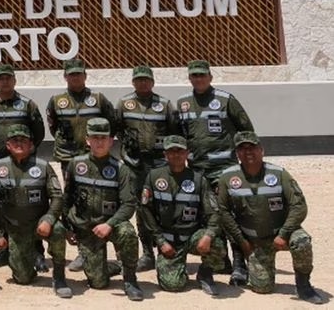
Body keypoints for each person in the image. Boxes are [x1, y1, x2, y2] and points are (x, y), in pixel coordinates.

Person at [217, 131, 322, 304]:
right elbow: (223, 211)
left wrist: (284, 233)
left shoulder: (279, 174)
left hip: (282, 234)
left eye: (252, 147)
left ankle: (304, 285)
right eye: (242, 148)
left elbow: (299, 206)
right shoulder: (228, 177)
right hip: (254, 241)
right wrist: (242, 241)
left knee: (301, 241)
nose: (248, 152)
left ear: (262, 150)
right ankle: (247, 266)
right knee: (262, 288)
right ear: (237, 154)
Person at [176, 59, 255, 284]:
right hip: (198, 171)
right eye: (194, 75)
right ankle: (222, 260)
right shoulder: (183, 103)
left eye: (202, 75)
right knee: (208, 215)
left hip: (224, 170)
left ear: (210, 77)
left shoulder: (225, 100)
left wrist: (246, 160)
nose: (199, 79)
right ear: (189, 78)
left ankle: (240, 265)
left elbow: (246, 130)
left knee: (230, 216)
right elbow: (179, 136)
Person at [45, 57, 117, 273]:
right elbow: (53, 128)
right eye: (71, 74)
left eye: (79, 74)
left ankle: (109, 250)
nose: (75, 77)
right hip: (69, 159)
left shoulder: (98, 99)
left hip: (96, 158)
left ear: (85, 75)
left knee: (101, 200)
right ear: (65, 76)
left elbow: (111, 124)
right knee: (77, 202)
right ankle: (82, 251)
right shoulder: (56, 101)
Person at [0, 124, 72, 298]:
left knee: (58, 230)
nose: (19, 143)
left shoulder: (43, 167)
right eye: (15, 140)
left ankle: (59, 277)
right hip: (16, 229)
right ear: (8, 145)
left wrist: (48, 219)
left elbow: (57, 197)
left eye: (23, 140)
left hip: (40, 224)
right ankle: (30, 256)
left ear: (31, 145)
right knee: (23, 278)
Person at [63, 117, 143, 301]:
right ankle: (111, 265)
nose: (99, 142)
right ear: (87, 140)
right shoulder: (76, 165)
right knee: (98, 283)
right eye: (95, 137)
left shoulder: (121, 169)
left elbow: (129, 204)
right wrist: (68, 227)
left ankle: (130, 279)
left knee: (128, 232)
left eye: (103, 138)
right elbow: (67, 199)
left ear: (111, 141)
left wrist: (109, 224)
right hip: (86, 228)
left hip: (110, 225)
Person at [138, 135, 225, 296]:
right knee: (173, 285)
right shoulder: (154, 177)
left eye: (180, 151)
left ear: (187, 153)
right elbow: (145, 211)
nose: (176, 155)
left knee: (216, 244)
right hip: (168, 242)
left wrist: (208, 235)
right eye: (172, 151)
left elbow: (214, 213)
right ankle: (177, 268)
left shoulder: (198, 180)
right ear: (165, 154)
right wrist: (160, 241)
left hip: (192, 236)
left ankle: (205, 273)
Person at [0, 63, 44, 268]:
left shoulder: (27, 105)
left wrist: (25, 152)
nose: (5, 81)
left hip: (25, 164)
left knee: (33, 203)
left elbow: (38, 132)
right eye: (1, 78)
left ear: (14, 80)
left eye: (8, 78)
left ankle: (37, 251)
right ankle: (3, 248)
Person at [115, 65, 179, 273]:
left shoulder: (165, 104)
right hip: (135, 165)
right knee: (141, 209)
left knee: (162, 207)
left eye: (146, 79)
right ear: (133, 82)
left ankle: (164, 250)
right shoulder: (124, 104)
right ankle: (147, 253)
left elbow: (174, 132)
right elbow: (118, 129)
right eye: (138, 80)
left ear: (152, 82)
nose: (142, 83)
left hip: (159, 165)